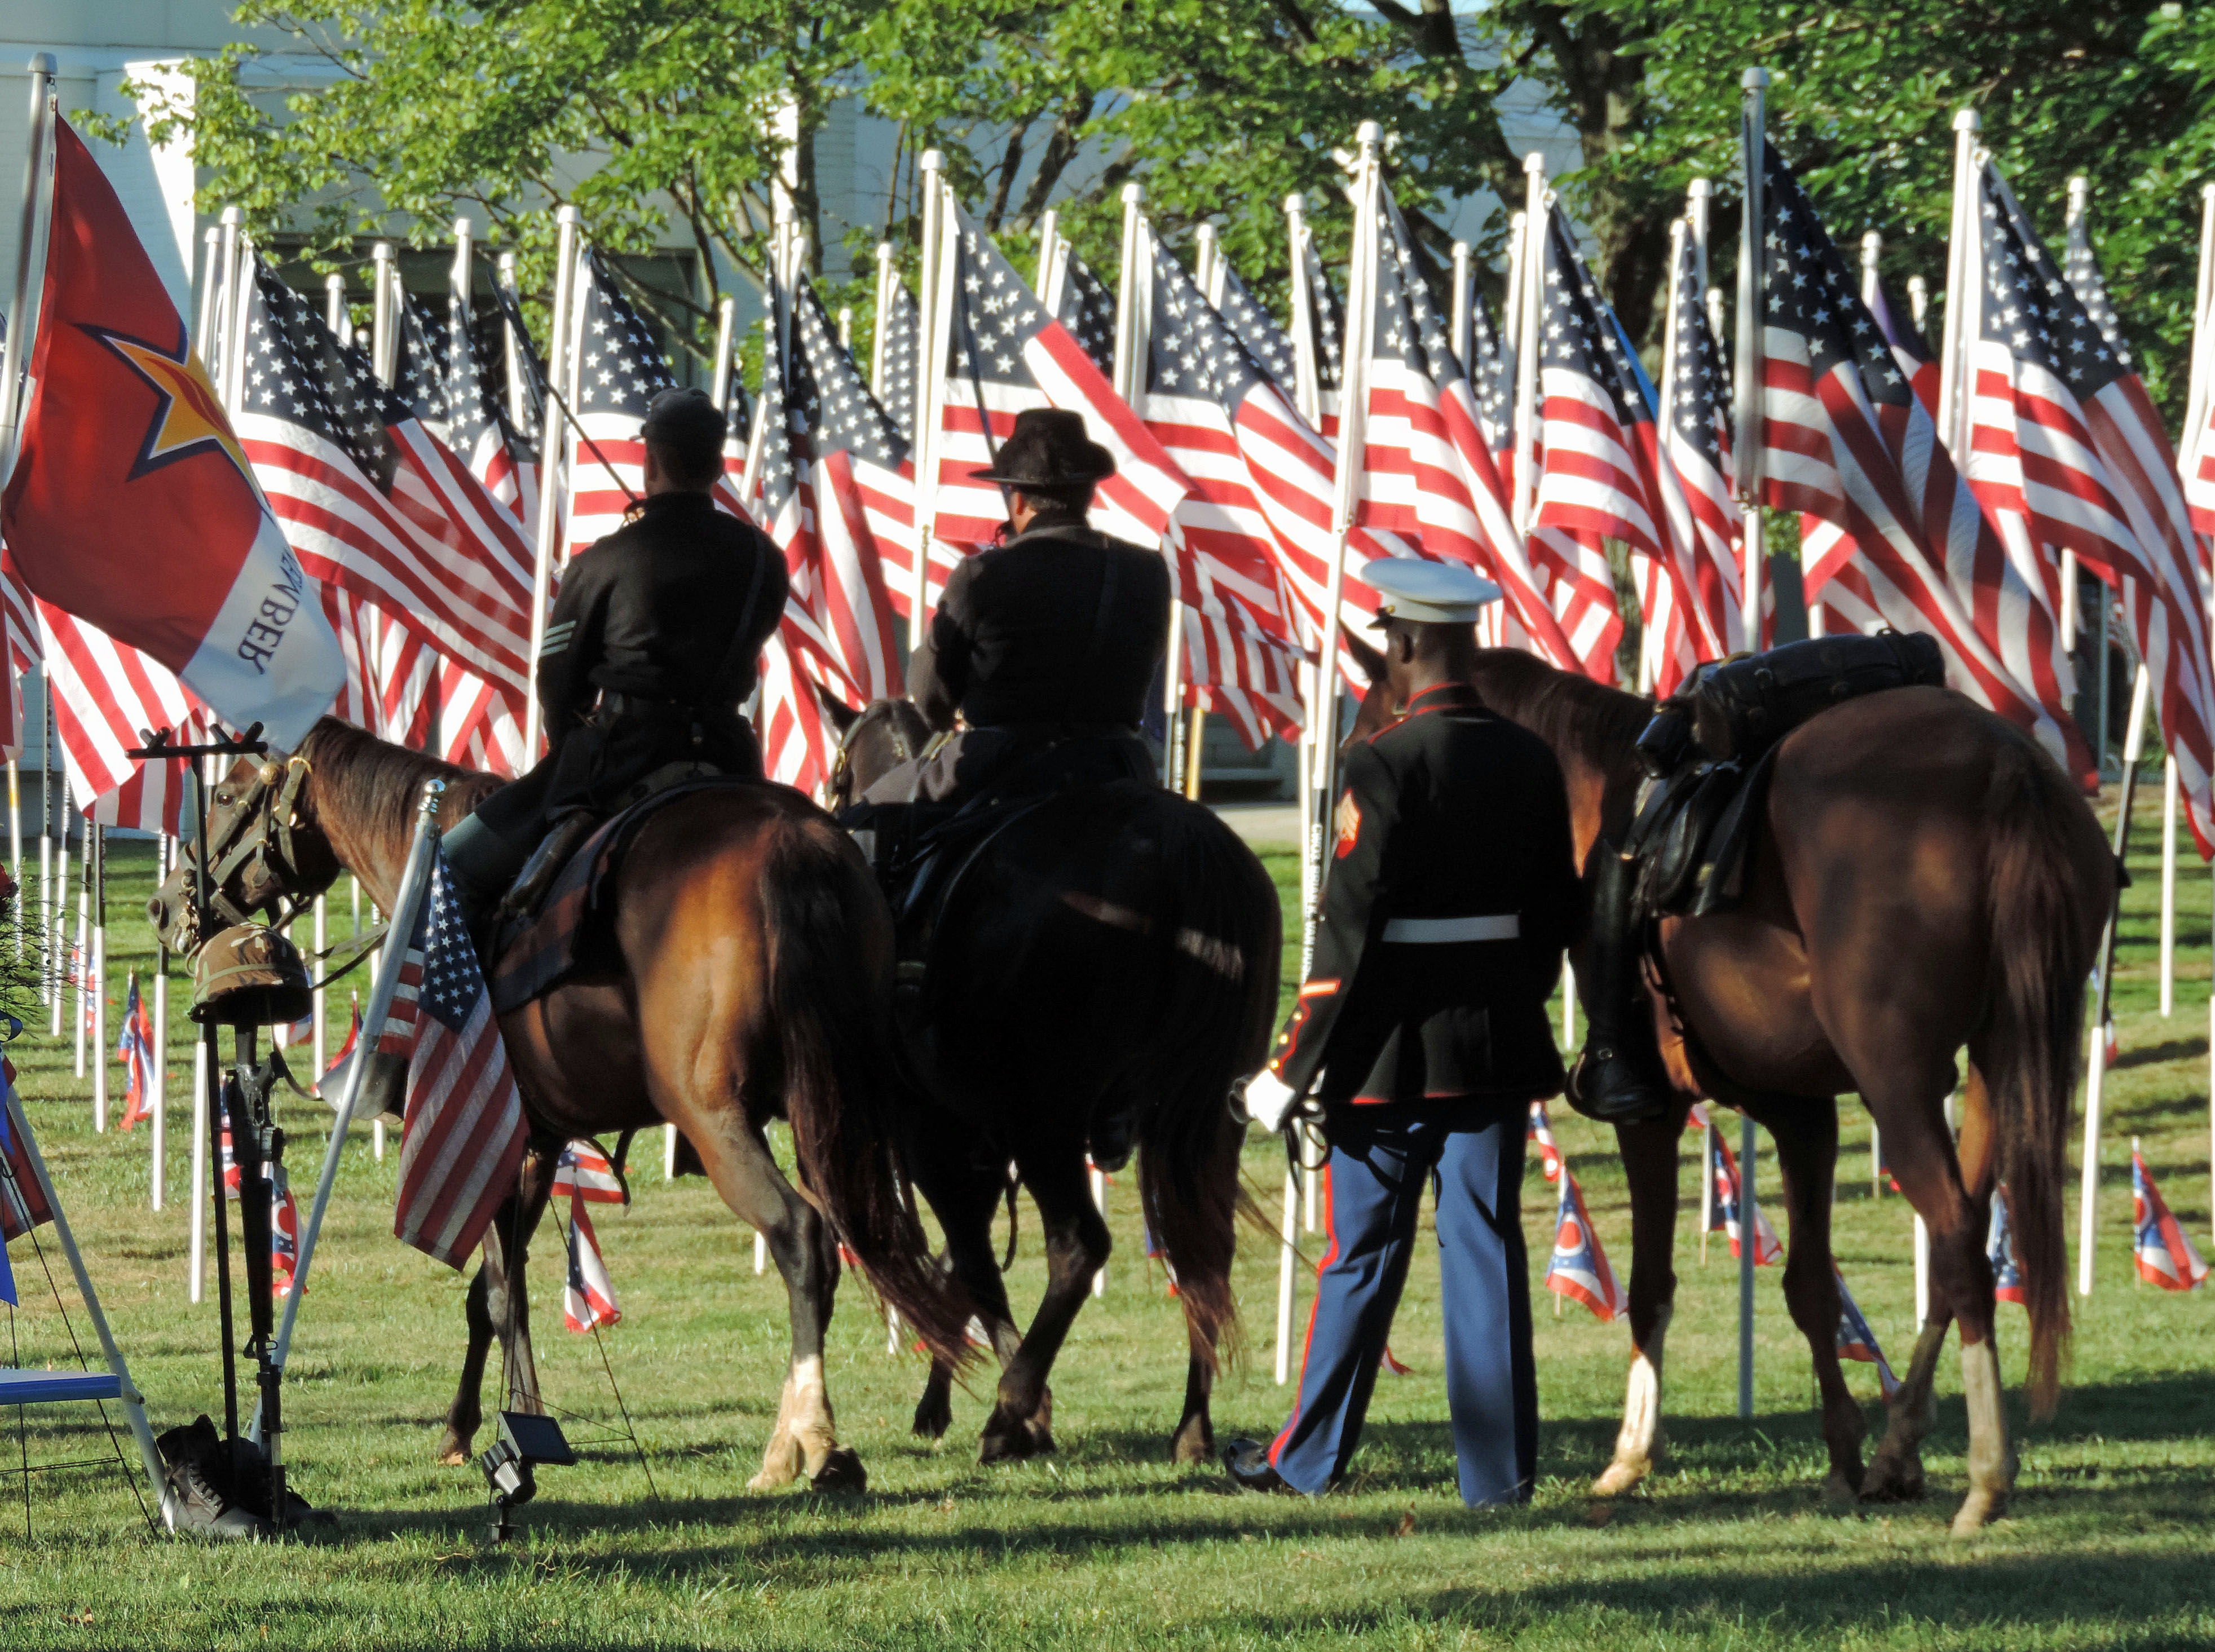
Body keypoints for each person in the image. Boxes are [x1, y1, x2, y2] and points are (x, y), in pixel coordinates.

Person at [1225, 558, 1581, 1507]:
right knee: (1485, 1250)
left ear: (1406, 643)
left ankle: (1305, 1464)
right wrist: (1509, 998)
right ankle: (1495, 1477)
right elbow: (1554, 916)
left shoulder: (1378, 762)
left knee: (1359, 1261)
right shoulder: (1529, 757)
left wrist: (1284, 1070)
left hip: (1381, 1059)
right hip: (1494, 1050)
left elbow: (1345, 941)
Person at [443, 386, 788, 931]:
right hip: (731, 755)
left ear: (649, 462)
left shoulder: (605, 560)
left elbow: (558, 682)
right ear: (719, 465)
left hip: (623, 755)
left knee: (449, 868)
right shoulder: (765, 558)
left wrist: (572, 749)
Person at [862, 407, 1168, 810]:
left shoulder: (982, 573)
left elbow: (931, 694)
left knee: (868, 809)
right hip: (1122, 765)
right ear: (1089, 494)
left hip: (1003, 768)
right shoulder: (1147, 570)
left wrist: (941, 719)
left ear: (1018, 499)